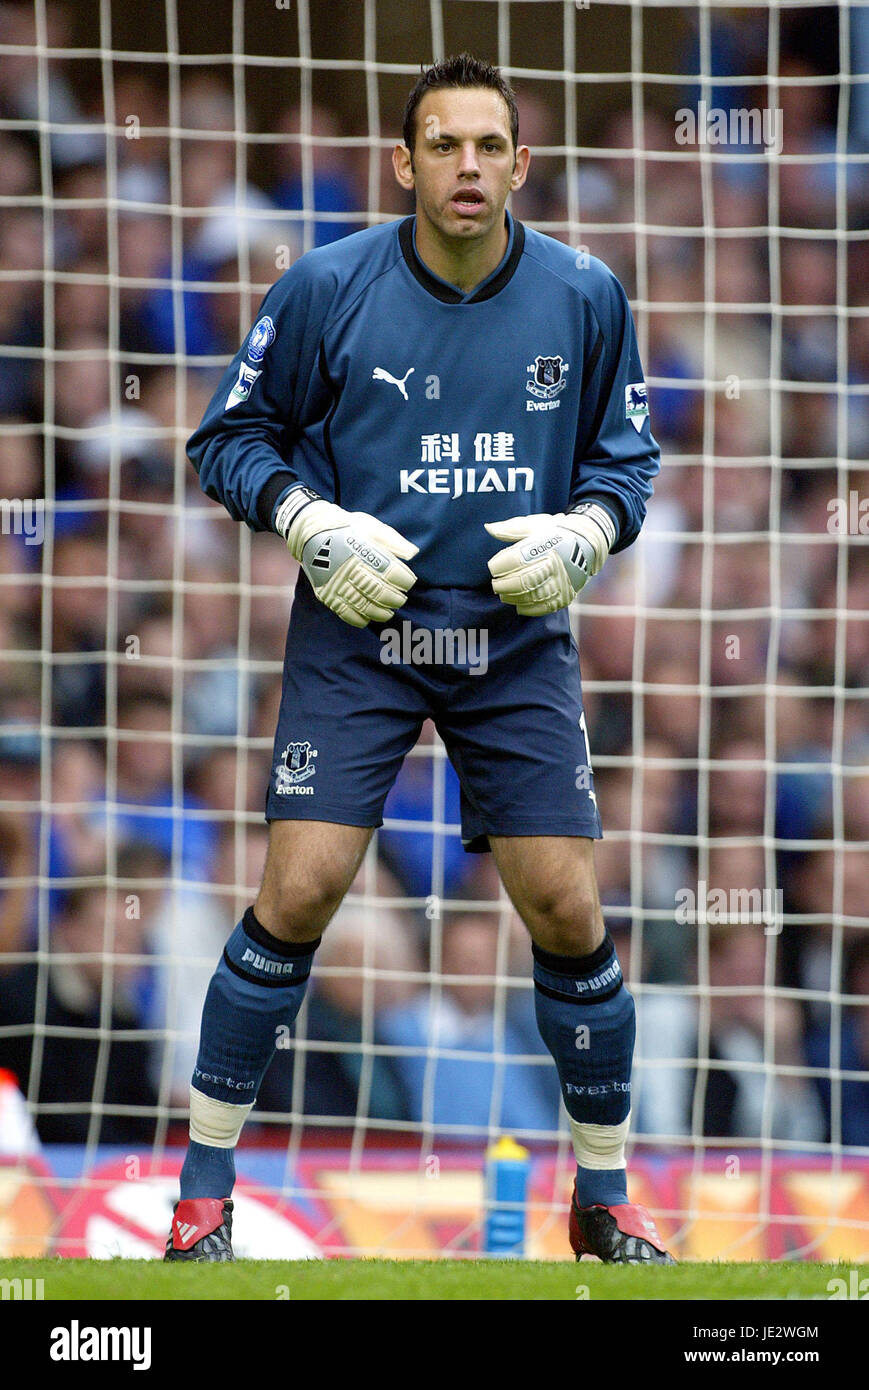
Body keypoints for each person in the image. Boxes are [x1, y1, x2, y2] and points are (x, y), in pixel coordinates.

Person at [165, 54, 669, 1265]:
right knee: (300, 889)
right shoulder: (325, 287)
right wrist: (306, 521)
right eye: (441, 145)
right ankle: (199, 1203)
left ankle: (600, 1206)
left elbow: (627, 462)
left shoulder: (585, 294)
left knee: (564, 903)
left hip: (510, 630)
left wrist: (587, 529)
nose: (466, 166)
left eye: (488, 146)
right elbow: (225, 438)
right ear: (402, 164)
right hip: (359, 624)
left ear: (519, 163)